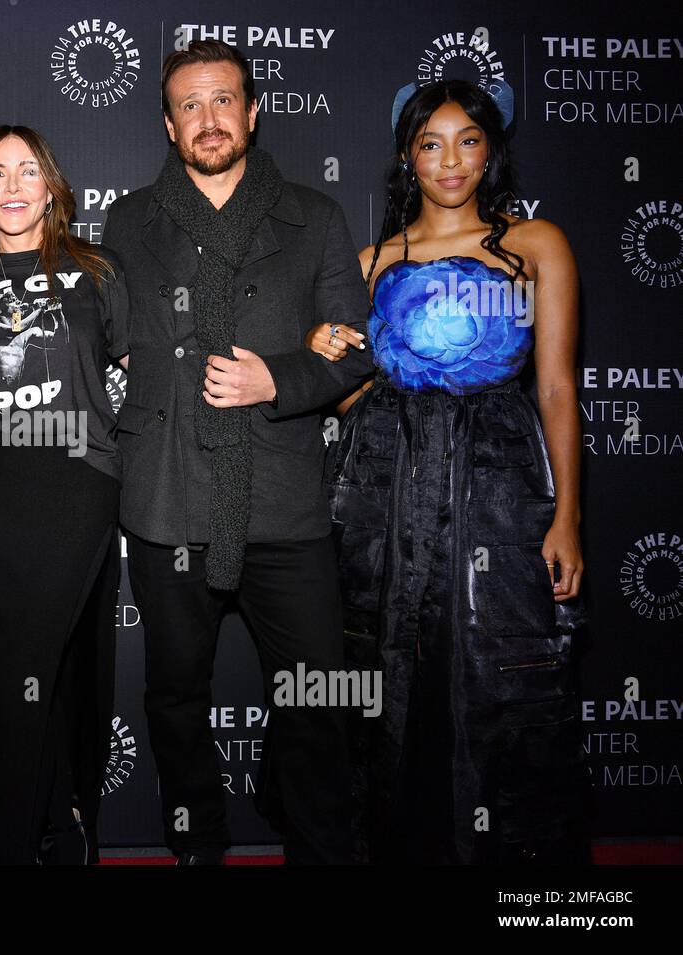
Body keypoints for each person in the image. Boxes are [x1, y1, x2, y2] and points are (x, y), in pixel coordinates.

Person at [102, 39, 373, 864]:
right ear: (168, 123)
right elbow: (104, 336)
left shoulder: (315, 216)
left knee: (313, 698)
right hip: (168, 492)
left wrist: (278, 378)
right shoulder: (127, 222)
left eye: (224, 100)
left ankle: (319, 845)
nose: (208, 118)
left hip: (284, 498)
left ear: (253, 112)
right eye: (190, 104)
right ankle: (197, 845)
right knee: (176, 697)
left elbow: (357, 351)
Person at [308, 79, 586, 863]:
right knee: (390, 666)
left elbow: (559, 385)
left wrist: (567, 517)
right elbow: (350, 398)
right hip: (387, 482)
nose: (450, 160)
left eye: (468, 140)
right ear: (408, 156)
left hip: (498, 483)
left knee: (496, 673)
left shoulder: (537, 245)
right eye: (431, 143)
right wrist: (326, 355)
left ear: (491, 149)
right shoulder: (370, 261)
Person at [0, 126, 128, 864]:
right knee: (29, 673)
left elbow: (137, 370)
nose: (13, 186)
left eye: (27, 172)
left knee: (29, 670)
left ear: (51, 187)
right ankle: (60, 828)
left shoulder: (98, 270)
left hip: (76, 482)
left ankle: (11, 848)